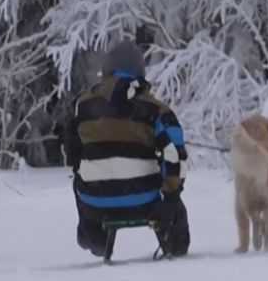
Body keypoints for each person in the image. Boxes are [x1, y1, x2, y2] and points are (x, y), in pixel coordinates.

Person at [65, 40, 190, 257]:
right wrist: (170, 196)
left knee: (80, 178)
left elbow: (72, 151)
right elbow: (175, 156)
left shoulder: (83, 106)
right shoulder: (155, 109)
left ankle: (93, 235)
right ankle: (174, 243)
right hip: (144, 200)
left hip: (95, 202)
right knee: (173, 192)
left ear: (107, 70)